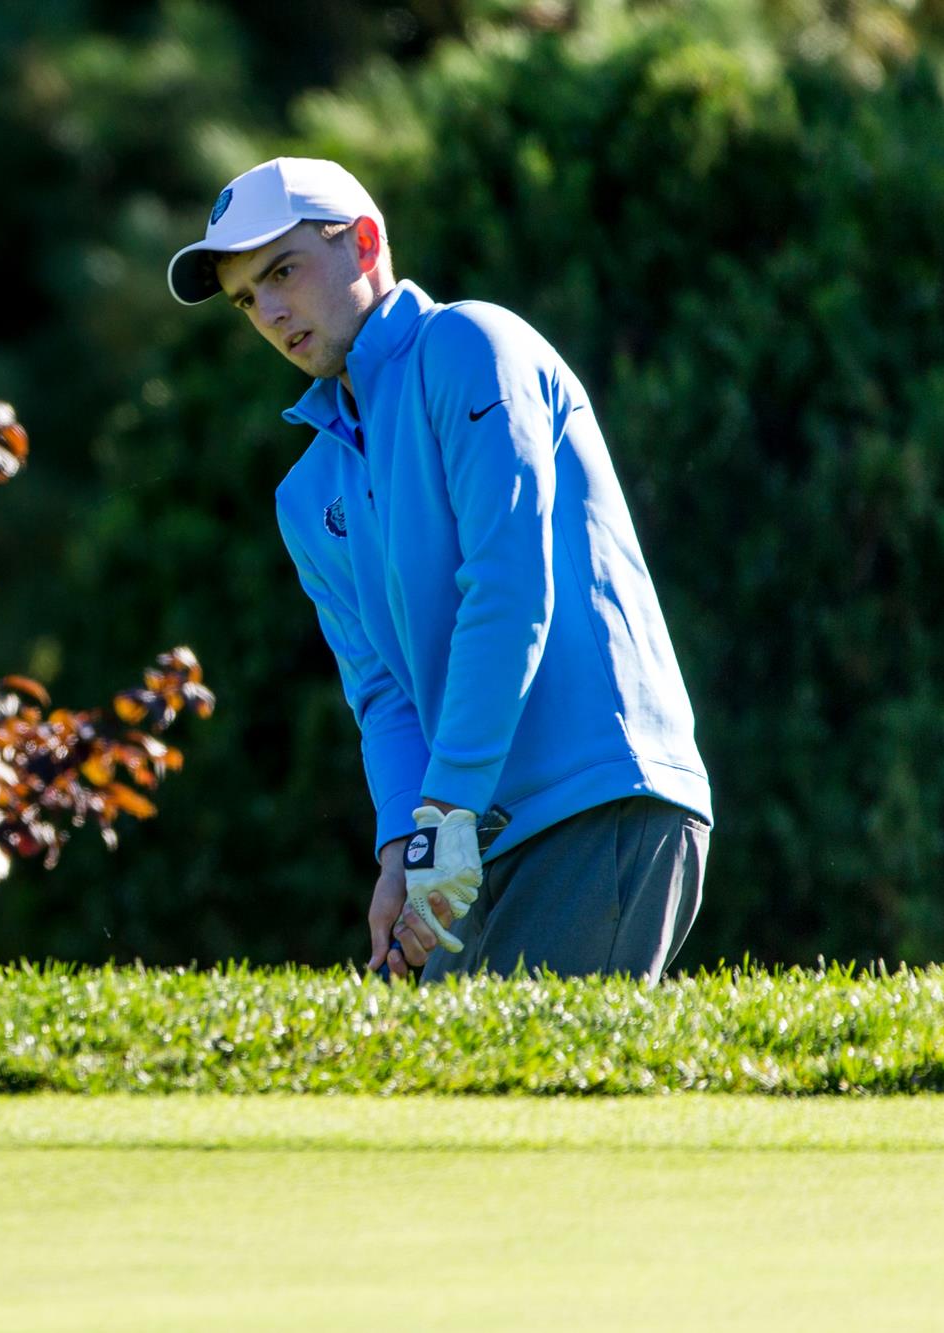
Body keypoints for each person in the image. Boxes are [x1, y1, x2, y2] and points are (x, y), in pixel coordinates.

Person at [167, 157, 714, 984]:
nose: (271, 313)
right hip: (466, 841)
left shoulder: (472, 343)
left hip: (596, 795)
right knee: (439, 1102)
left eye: (283, 271)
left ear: (364, 242)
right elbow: (383, 692)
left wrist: (445, 811)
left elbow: (508, 586)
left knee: (532, 1107)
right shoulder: (308, 491)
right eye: (248, 299)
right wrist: (401, 848)